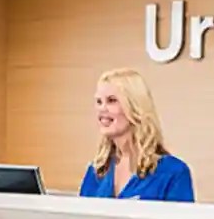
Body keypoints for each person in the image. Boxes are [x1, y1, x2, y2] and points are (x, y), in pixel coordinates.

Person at [79, 67, 194, 202]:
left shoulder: (173, 173)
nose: (102, 109)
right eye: (99, 102)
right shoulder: (95, 172)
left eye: (112, 100)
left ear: (135, 107)